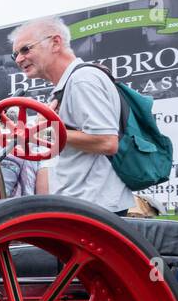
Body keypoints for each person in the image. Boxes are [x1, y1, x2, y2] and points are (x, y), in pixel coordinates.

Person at [8, 17, 132, 214]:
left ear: (55, 43)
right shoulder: (67, 85)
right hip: (81, 203)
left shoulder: (82, 80)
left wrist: (39, 134)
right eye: (15, 54)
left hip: (94, 206)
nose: (18, 59)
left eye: (26, 49)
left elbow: (107, 142)